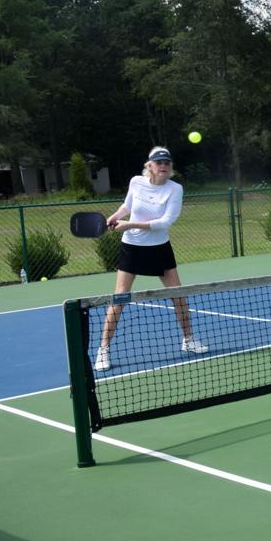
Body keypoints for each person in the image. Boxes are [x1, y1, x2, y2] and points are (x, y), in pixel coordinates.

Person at [93, 147, 207, 372]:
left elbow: (166, 222)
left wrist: (130, 224)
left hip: (159, 249)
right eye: (159, 162)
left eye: (167, 162)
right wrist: (115, 217)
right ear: (150, 166)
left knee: (178, 295)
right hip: (132, 248)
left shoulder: (175, 189)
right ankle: (103, 350)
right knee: (120, 299)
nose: (163, 166)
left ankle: (188, 340)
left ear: (170, 167)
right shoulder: (136, 182)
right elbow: (127, 205)